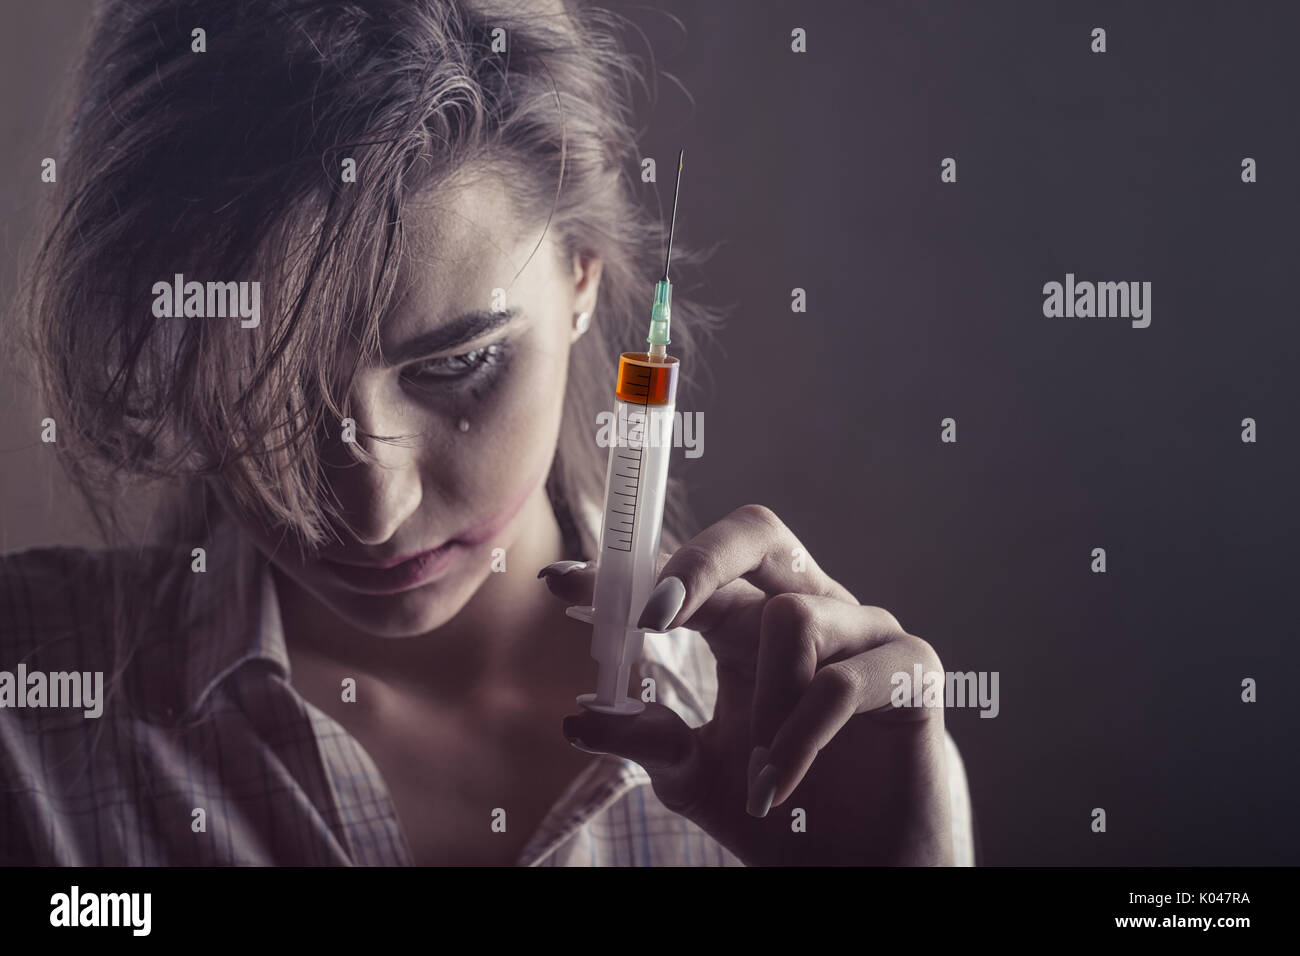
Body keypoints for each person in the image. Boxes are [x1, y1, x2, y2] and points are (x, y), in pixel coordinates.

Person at [1, 0, 973, 866]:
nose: (375, 507)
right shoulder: (27, 708)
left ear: (582, 271)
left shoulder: (791, 737)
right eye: (263, 389)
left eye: (459, 364)